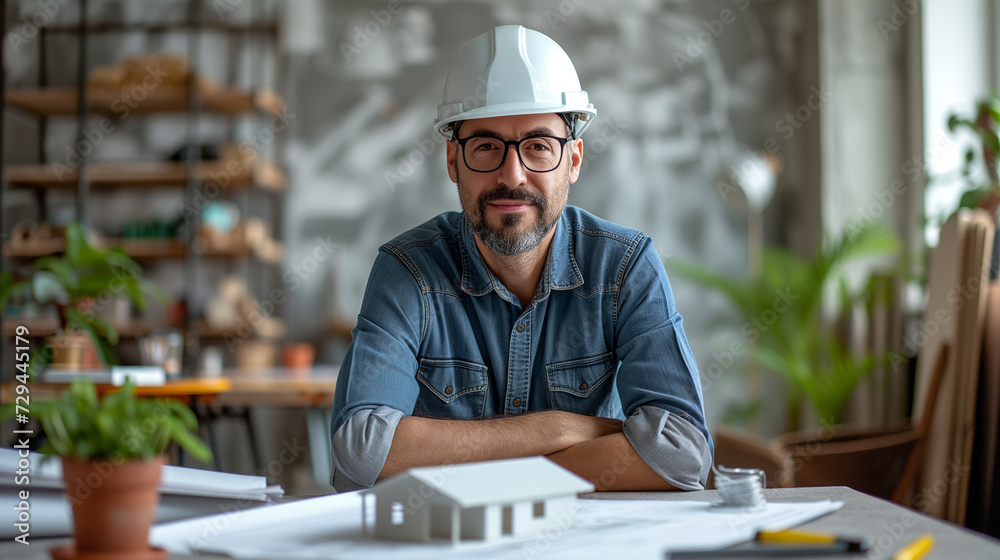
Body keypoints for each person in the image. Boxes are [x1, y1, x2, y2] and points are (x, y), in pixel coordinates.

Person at [329, 25, 711, 493]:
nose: (513, 175)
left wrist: (483, 467)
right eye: (486, 146)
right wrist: (555, 430)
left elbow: (682, 454)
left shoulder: (625, 267)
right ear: (453, 160)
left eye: (538, 146)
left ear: (572, 160)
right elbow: (362, 455)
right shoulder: (408, 270)